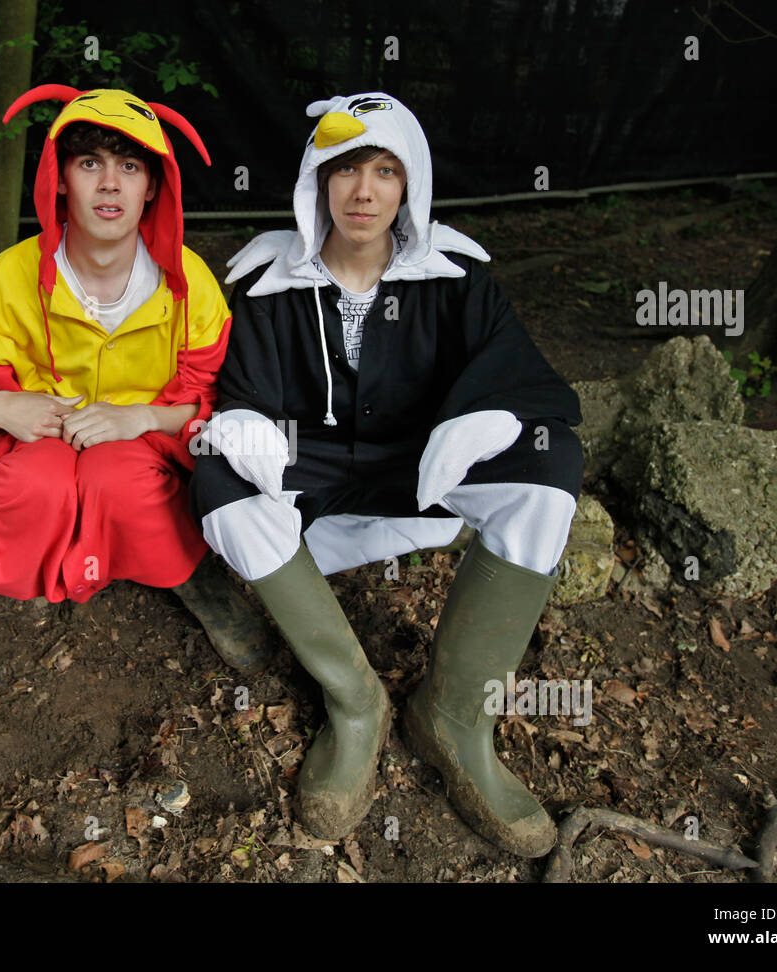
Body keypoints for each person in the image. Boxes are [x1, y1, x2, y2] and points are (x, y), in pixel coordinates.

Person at [189, 92, 584, 855]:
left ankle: (457, 716)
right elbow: (244, 399)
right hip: (316, 466)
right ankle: (355, 700)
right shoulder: (269, 286)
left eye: (385, 171)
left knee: (547, 455)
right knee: (216, 470)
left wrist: (477, 421)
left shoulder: (455, 275)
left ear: (410, 186)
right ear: (317, 181)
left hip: (419, 463)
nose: (363, 191)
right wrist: (247, 432)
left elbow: (521, 376)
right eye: (343, 170)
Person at [0, 85, 271, 673]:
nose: (110, 184)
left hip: (145, 448)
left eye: (129, 166)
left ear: (152, 185)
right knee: (37, 483)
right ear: (59, 178)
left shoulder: (191, 284)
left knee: (125, 483)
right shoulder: (9, 279)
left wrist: (140, 418)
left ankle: (193, 577)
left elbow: (211, 402)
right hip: (39, 445)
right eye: (90, 164)